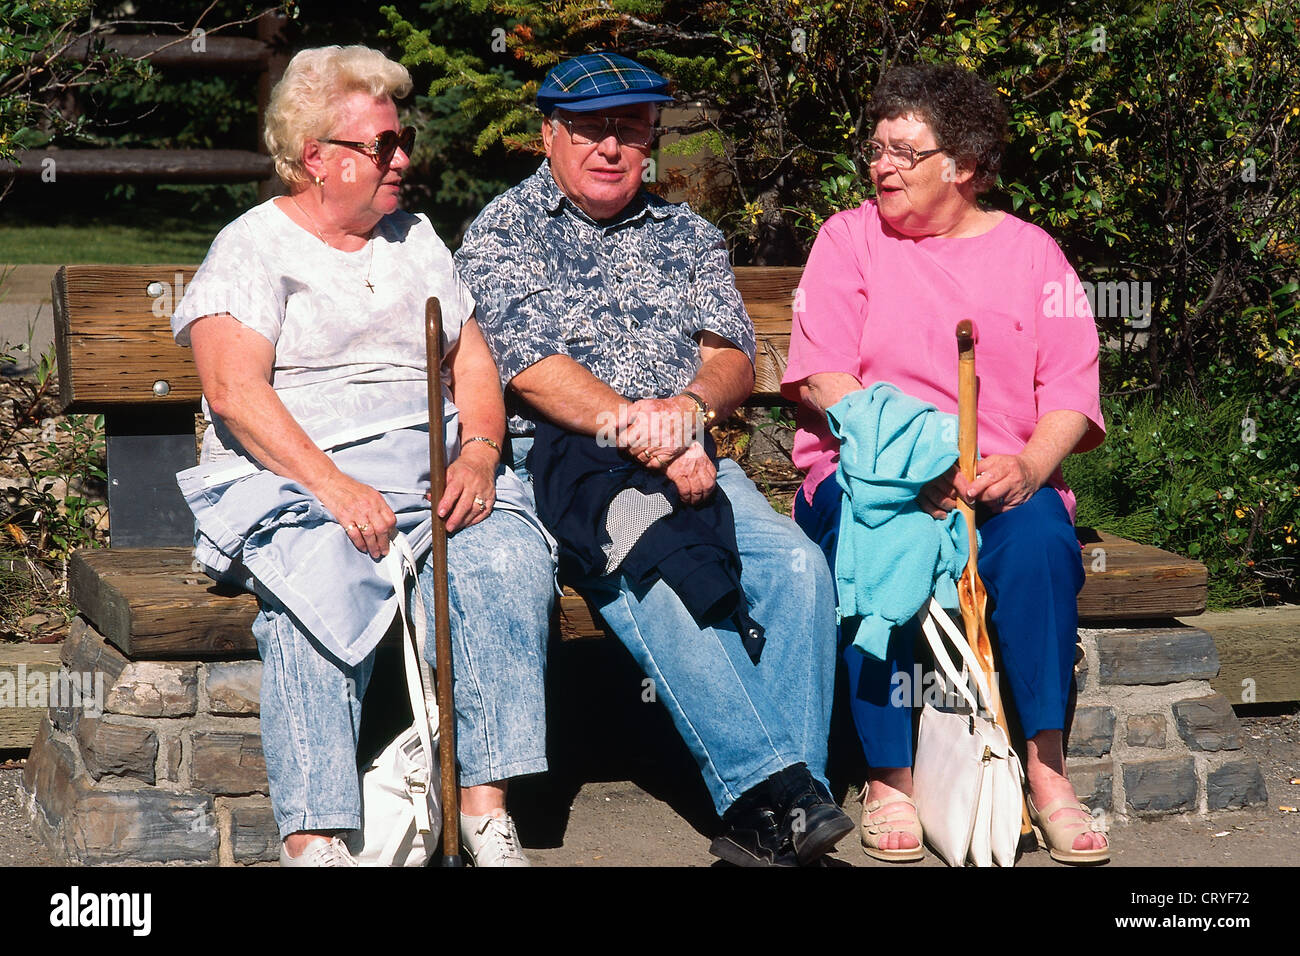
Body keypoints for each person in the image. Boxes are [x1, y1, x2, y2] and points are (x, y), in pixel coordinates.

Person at [455, 51, 850, 867]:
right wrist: (651, 436)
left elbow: (734, 356)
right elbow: (531, 369)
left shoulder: (689, 236)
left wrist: (694, 410)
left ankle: (785, 812)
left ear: (650, 143)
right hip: (572, 473)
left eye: (630, 132)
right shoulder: (503, 232)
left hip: (694, 456)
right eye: (591, 130)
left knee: (799, 571)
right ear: (548, 136)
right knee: (666, 577)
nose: (611, 148)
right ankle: (774, 798)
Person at [169, 45, 554, 867]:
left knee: (505, 558)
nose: (402, 158)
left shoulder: (414, 240)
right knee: (317, 590)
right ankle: (317, 840)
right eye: (383, 144)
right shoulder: (253, 247)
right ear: (318, 158)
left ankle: (483, 812)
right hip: (298, 479)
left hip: (431, 475)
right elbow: (235, 393)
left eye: (399, 138)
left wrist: (482, 452)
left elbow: (471, 361)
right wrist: (336, 488)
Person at [782, 62, 1110, 865]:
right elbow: (822, 376)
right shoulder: (848, 239)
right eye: (876, 149)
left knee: (1037, 547)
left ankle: (1048, 773)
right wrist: (906, 461)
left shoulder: (1033, 255)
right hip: (872, 471)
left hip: (999, 475)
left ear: (961, 165)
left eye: (903, 151)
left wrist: (1030, 467)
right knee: (876, 534)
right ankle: (890, 777)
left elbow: (1070, 386)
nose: (881, 166)